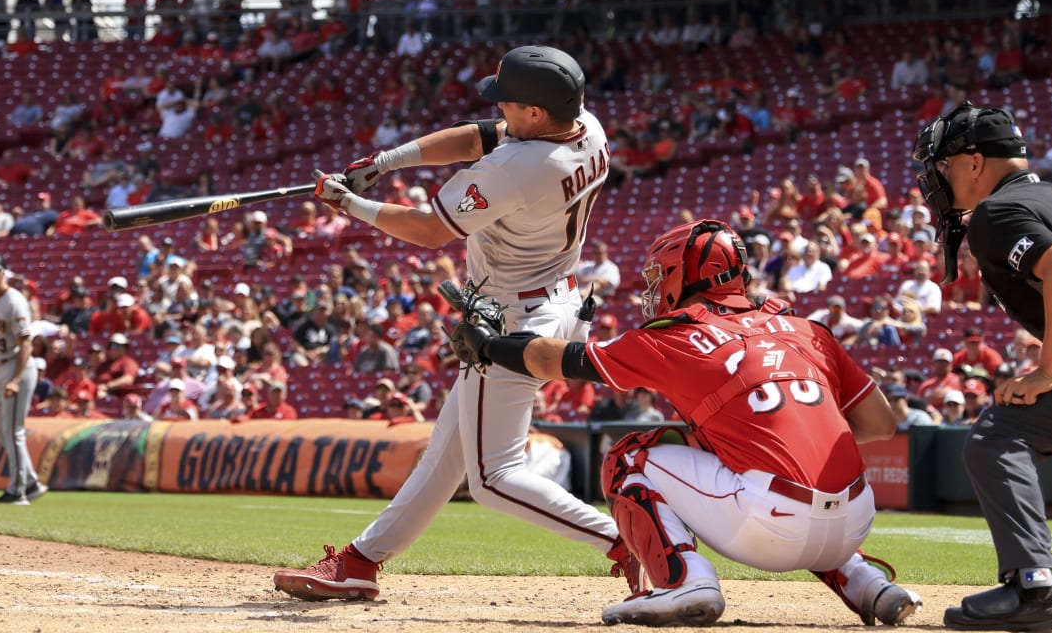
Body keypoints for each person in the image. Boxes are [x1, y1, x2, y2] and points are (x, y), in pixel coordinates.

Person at [276, 46, 640, 601]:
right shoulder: (585, 125)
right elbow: (478, 136)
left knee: (494, 478)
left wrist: (350, 204)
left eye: (510, 103)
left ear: (537, 114)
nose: (501, 112)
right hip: (553, 300)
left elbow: (428, 230)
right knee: (448, 451)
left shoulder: (520, 168)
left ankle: (631, 542)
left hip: (516, 321)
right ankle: (361, 561)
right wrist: (386, 161)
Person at [449, 218, 921, 626]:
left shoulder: (679, 335)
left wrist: (490, 346)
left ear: (685, 275)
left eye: (662, 275)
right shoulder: (805, 328)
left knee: (628, 455)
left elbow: (563, 362)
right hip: (856, 518)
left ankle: (686, 581)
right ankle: (867, 583)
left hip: (768, 526)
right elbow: (881, 424)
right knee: (775, 464)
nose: (655, 288)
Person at [911, 104, 1052, 630]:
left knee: (998, 436)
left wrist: (1048, 370)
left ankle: (1034, 587)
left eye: (945, 165)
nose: (939, 177)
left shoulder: (998, 213)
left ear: (975, 162)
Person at [0, 254, 45, 505]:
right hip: (0, 365)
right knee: (3, 433)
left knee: (14, 432)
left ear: (3, 273)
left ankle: (18, 491)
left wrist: (16, 379)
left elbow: (25, 344)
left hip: (19, 366)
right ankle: (32, 482)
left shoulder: (15, 301)